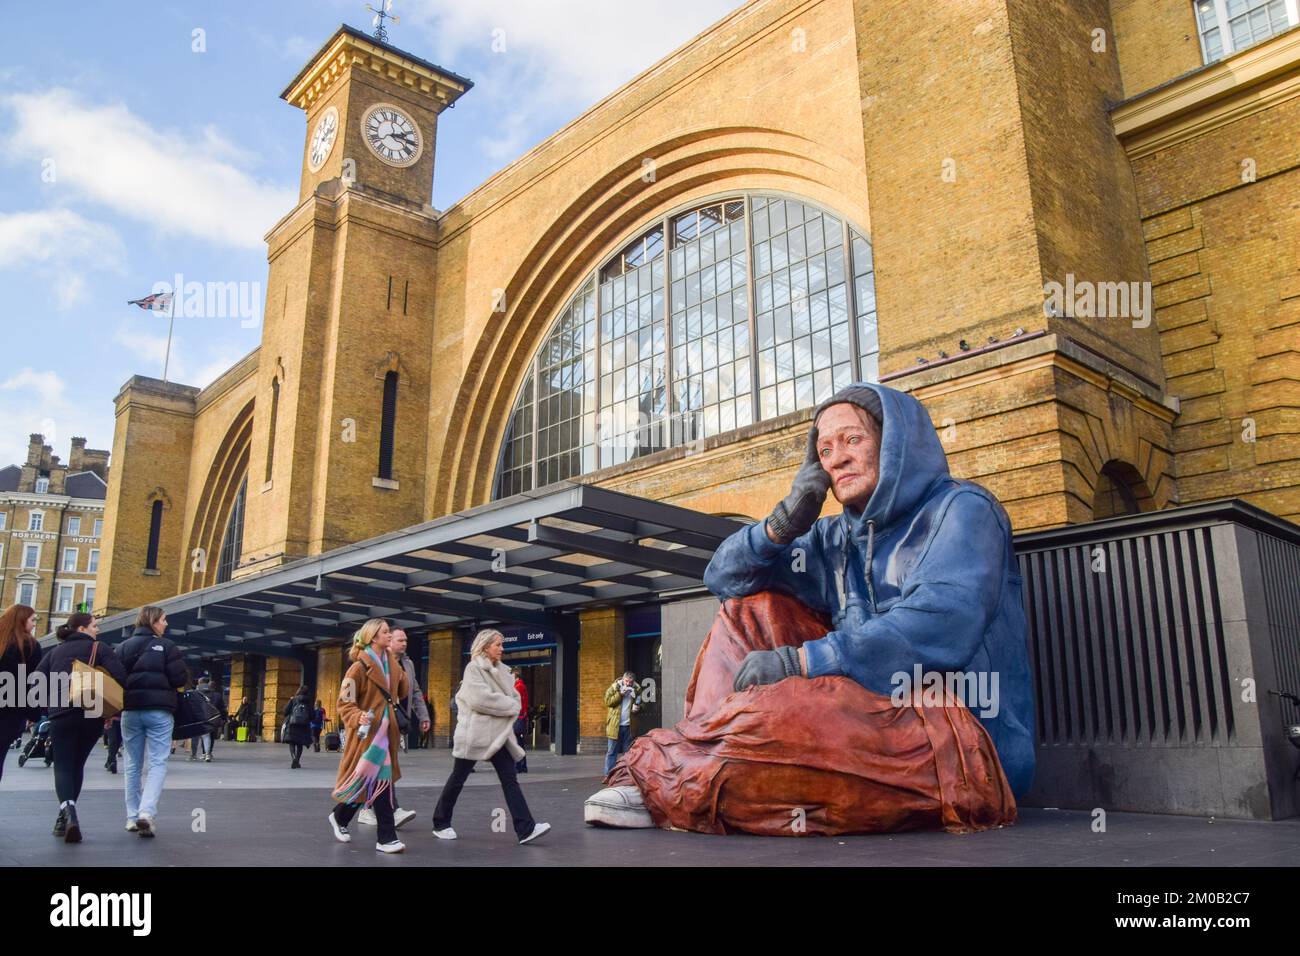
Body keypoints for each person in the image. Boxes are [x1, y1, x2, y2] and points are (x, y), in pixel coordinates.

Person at [585, 382, 1034, 835]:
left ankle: (668, 778)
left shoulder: (964, 509)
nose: (836, 458)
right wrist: (785, 521)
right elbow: (723, 579)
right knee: (751, 609)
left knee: (794, 717)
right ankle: (689, 771)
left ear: (895, 443)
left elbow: (942, 623)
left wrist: (802, 662)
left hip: (957, 734)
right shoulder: (831, 537)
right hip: (860, 709)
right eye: (824, 449)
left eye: (852, 440)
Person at [431, 629, 550, 845]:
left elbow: (514, 695)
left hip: (497, 736)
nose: (502, 648)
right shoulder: (473, 668)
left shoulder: (504, 670)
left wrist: (510, 704)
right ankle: (440, 822)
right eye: (498, 644)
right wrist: (510, 706)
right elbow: (480, 699)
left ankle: (526, 828)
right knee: (458, 777)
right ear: (485, 646)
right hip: (474, 734)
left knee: (509, 778)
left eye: (502, 644)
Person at [33, 612, 129, 842]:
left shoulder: (55, 652)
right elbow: (121, 677)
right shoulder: (101, 649)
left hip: (61, 715)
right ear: (82, 629)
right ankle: (63, 817)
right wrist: (110, 708)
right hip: (92, 713)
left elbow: (36, 680)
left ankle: (68, 813)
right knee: (77, 766)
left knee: (64, 766)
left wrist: (49, 704)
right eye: (94, 626)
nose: (97, 630)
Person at [327, 618, 409, 853]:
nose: (390, 637)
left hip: (386, 735)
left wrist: (399, 666)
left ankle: (340, 817)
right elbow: (344, 703)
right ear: (374, 637)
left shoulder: (391, 663)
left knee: (370, 783)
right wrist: (358, 716)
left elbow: (401, 692)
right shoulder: (358, 668)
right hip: (367, 736)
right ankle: (386, 838)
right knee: (380, 784)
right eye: (386, 633)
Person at [119, 605, 190, 837]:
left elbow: (115, 678)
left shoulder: (122, 647)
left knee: (132, 764)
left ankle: (131, 817)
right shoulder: (168, 647)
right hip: (159, 711)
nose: (166, 624)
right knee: (158, 762)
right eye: (163, 620)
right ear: (153, 622)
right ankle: (146, 813)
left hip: (130, 710)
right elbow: (179, 677)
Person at [358, 628, 423, 829]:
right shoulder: (369, 664)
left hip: (393, 722)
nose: (404, 643)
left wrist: (423, 715)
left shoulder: (407, 664)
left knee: (379, 767)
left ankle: (360, 810)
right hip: (374, 724)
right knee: (380, 766)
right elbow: (352, 699)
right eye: (399, 639)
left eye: (406, 640)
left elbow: (413, 691)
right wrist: (359, 718)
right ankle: (385, 811)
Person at [0, 604, 41, 781]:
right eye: (32, 620)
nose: (33, 625)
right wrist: (34, 714)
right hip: (11, 713)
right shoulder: (29, 645)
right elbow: (33, 682)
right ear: (21, 620)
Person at [602, 671, 639, 776]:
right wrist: (620, 694)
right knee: (612, 751)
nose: (628, 684)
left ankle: (626, 774)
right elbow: (607, 702)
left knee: (628, 752)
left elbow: (642, 703)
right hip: (615, 725)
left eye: (630, 682)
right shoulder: (614, 687)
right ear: (623, 679)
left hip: (629, 726)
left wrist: (639, 708)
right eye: (626, 681)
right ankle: (608, 775)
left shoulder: (637, 689)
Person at [283, 683, 313, 769]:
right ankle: (297, 760)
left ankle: (293, 758)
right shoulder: (308, 702)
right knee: (300, 743)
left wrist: (290, 701)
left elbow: (285, 711)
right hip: (303, 725)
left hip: (292, 724)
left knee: (292, 742)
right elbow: (312, 715)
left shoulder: (293, 700)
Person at [512, 668, 529, 774]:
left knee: (517, 744)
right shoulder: (521, 686)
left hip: (517, 718)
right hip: (520, 717)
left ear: (516, 678)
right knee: (519, 743)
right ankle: (521, 766)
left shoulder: (518, 687)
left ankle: (520, 766)